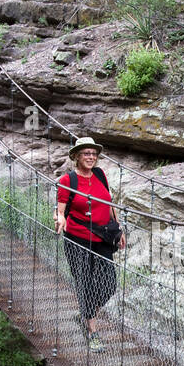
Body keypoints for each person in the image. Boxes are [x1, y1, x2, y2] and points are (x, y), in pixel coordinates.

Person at [55, 137, 126, 352]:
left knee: (108, 284)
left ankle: (87, 312)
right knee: (84, 283)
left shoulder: (100, 174)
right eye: (86, 153)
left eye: (93, 154)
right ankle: (92, 331)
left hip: (103, 237)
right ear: (76, 156)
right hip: (77, 238)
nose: (91, 157)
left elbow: (109, 202)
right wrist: (60, 218)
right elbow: (60, 210)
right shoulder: (68, 181)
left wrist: (119, 228)